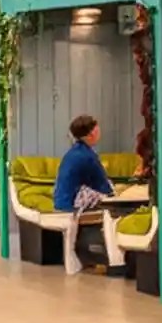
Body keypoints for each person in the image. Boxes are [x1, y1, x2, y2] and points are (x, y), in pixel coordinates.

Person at [53, 115, 123, 275]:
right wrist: (116, 194)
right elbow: (102, 183)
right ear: (91, 134)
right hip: (71, 201)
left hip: (62, 198)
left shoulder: (74, 152)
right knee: (113, 206)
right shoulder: (88, 156)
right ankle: (116, 259)